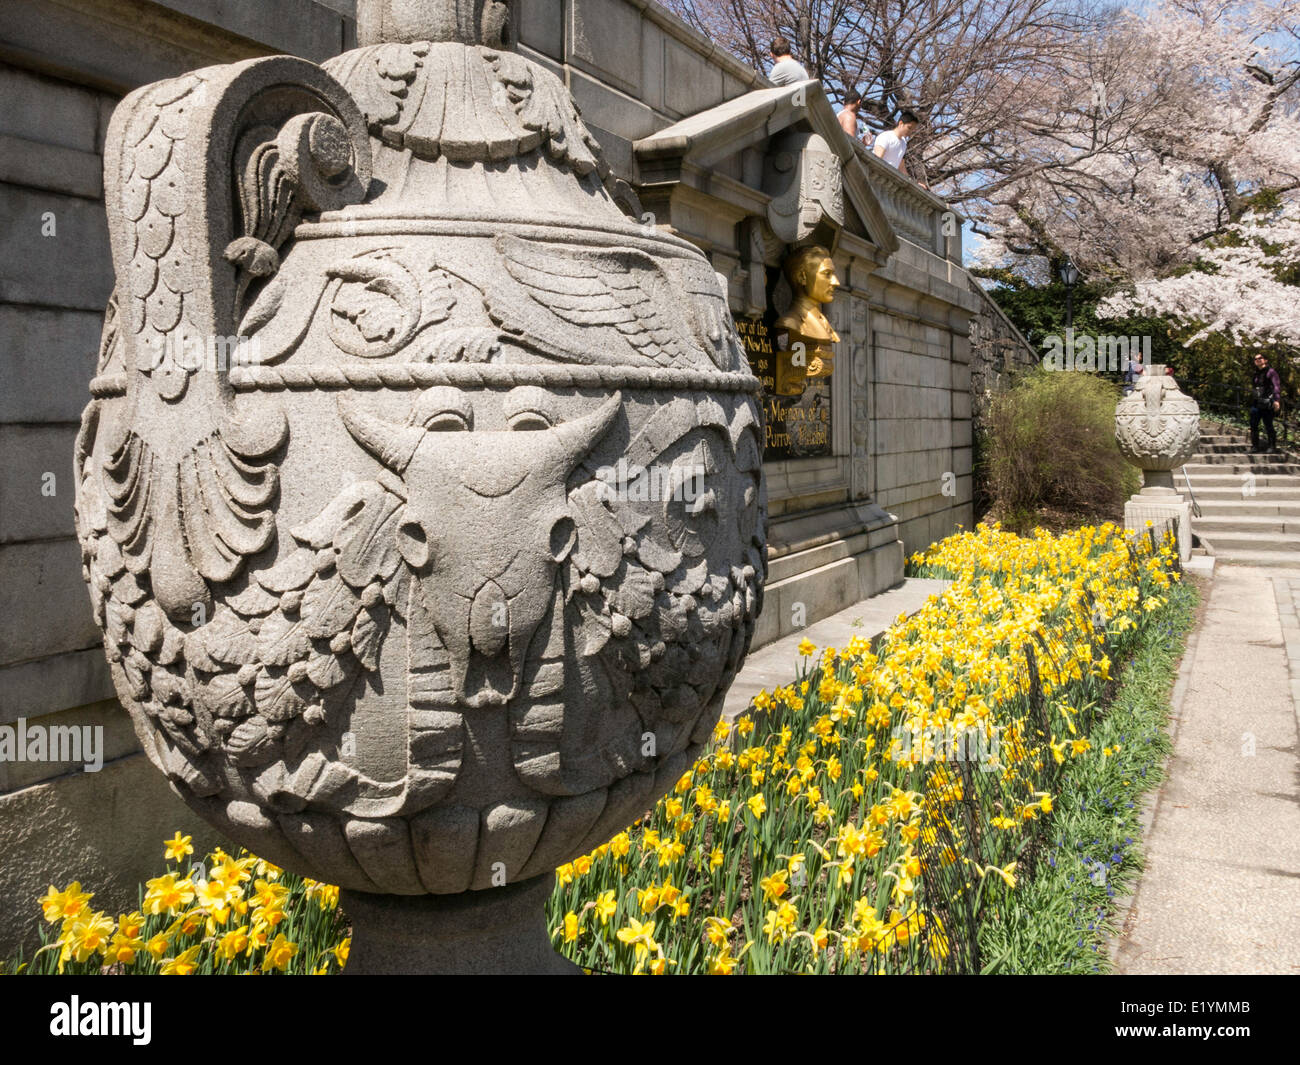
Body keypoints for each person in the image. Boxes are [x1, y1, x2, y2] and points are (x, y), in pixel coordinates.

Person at [872, 109, 927, 188]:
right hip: (877, 180)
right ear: (901, 123)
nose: (911, 132)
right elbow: (876, 159)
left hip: (890, 183)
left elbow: (901, 167)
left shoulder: (903, 143)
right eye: (909, 128)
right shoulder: (885, 137)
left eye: (913, 130)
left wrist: (914, 184)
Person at [1251, 353, 1282, 453]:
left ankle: (1272, 446)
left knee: (1268, 424)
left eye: (1260, 358)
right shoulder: (1256, 372)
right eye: (1255, 359)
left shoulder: (1271, 372)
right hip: (1256, 402)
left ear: (1266, 360)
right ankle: (1255, 446)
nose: (1258, 360)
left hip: (1268, 402)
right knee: (1253, 424)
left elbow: (1276, 386)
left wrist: (1277, 400)